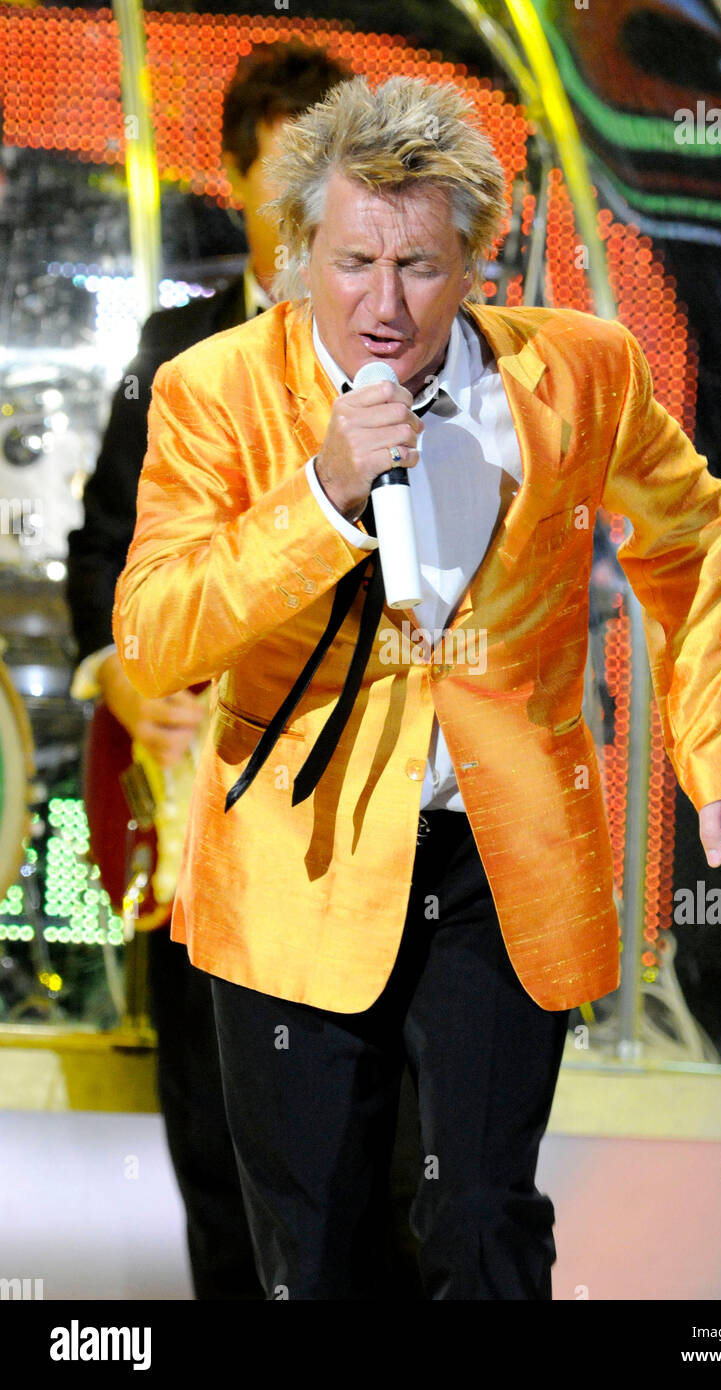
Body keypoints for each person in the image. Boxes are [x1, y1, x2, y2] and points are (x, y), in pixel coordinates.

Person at [112, 74, 721, 1301]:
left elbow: (688, 539)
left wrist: (720, 744)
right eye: (354, 259)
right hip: (296, 859)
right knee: (310, 1256)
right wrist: (318, 498)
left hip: (497, 860)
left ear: (476, 258)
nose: (382, 301)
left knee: (483, 1224)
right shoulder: (211, 391)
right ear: (299, 251)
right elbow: (156, 633)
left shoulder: (579, 371)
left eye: (418, 265)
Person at [66, 42, 355, 1301]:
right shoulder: (172, 349)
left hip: (357, 820)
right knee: (211, 1129)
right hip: (198, 820)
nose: (299, 201)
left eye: (325, 170)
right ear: (232, 177)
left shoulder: (411, 345)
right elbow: (99, 556)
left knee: (371, 1155)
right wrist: (123, 675)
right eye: (277, 169)